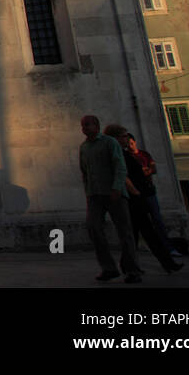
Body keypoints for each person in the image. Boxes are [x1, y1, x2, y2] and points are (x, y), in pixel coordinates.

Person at [105, 125, 183, 274]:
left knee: (135, 235)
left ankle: (132, 265)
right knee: (143, 233)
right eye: (124, 136)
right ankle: (162, 263)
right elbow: (122, 175)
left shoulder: (123, 153)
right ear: (115, 138)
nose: (127, 138)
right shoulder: (117, 154)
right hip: (133, 199)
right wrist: (135, 192)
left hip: (135, 198)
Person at [79, 114, 143, 282]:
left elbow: (120, 166)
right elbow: (84, 172)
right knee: (93, 228)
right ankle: (108, 267)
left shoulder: (110, 143)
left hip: (114, 193)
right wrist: (88, 191)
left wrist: (117, 187)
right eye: (83, 125)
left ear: (97, 126)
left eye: (87, 125)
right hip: (95, 195)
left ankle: (132, 270)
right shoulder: (84, 147)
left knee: (125, 232)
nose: (84, 128)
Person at [126, 132, 179, 256]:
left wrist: (143, 172)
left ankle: (167, 247)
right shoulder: (127, 157)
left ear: (135, 142)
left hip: (148, 191)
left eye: (131, 143)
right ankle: (138, 248)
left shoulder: (144, 155)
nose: (129, 146)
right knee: (137, 222)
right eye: (128, 144)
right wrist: (143, 171)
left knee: (157, 219)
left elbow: (153, 169)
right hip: (136, 193)